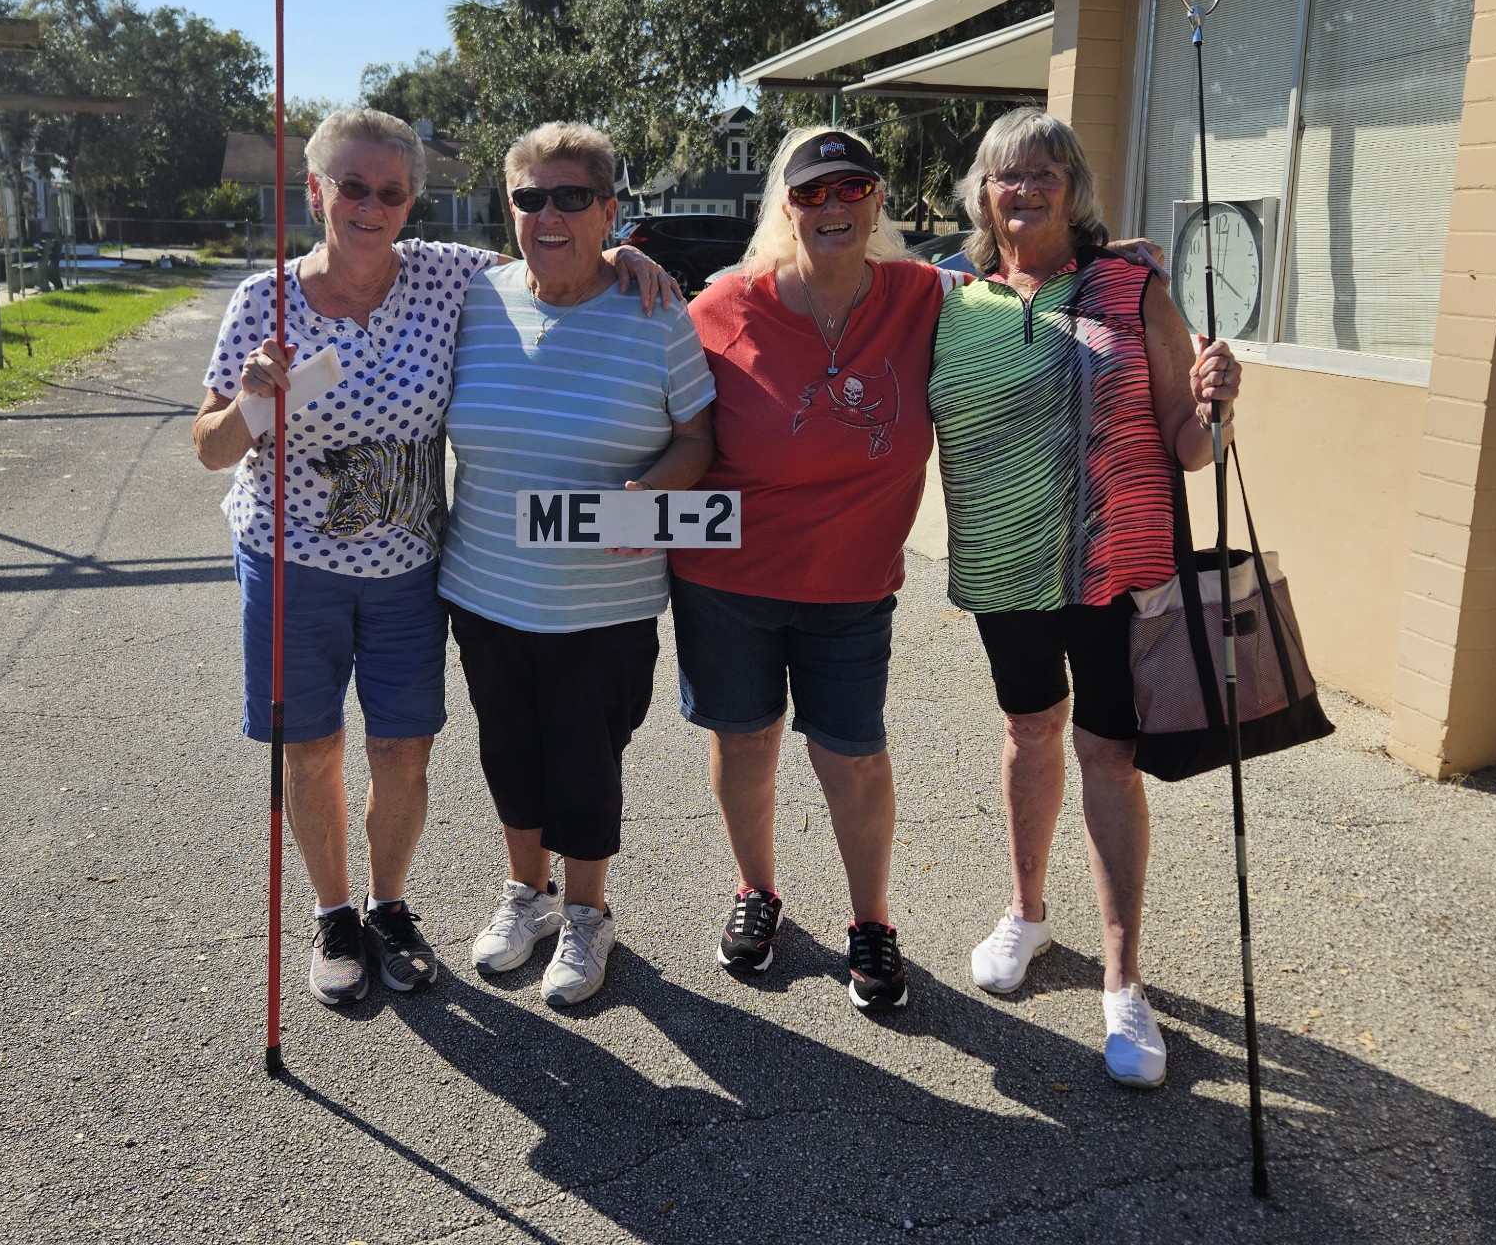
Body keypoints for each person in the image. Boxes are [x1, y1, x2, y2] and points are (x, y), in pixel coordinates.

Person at [190, 108, 677, 1010]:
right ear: (316, 191)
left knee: (403, 750)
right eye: (352, 187)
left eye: (390, 191)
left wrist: (625, 259)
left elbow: (556, 260)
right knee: (310, 747)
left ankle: (388, 907)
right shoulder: (263, 300)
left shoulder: (453, 280)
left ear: (413, 201)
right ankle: (334, 913)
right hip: (289, 563)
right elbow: (212, 448)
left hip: (412, 567)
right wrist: (256, 399)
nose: (370, 206)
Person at [928, 106, 1239, 1089]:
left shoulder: (1129, 284)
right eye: (1002, 176)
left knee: (1107, 755)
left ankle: (1121, 980)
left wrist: (1215, 403)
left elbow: (1188, 449)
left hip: (1114, 565)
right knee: (1027, 735)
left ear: (1074, 188)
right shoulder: (952, 295)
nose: (1022, 190)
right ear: (979, 194)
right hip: (1002, 566)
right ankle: (1024, 916)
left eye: (1042, 173)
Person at [672, 128, 954, 1012]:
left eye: (851, 189)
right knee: (743, 739)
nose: (831, 207)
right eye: (810, 194)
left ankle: (871, 922)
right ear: (782, 207)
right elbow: (661, 419)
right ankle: (757, 891)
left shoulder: (927, 297)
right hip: (726, 580)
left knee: (854, 756)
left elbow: (1035, 287)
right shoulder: (719, 308)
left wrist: (1118, 269)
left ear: (876, 203)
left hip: (853, 588)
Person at [440, 121, 715, 1008]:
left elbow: (697, 438)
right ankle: (528, 893)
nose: (548, 215)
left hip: (605, 598)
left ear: (609, 210)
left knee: (587, 759)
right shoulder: (473, 299)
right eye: (530, 197)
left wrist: (652, 500)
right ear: (508, 206)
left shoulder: (654, 309)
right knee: (509, 751)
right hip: (484, 586)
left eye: (571, 198)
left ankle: (589, 913)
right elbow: (365, 239)